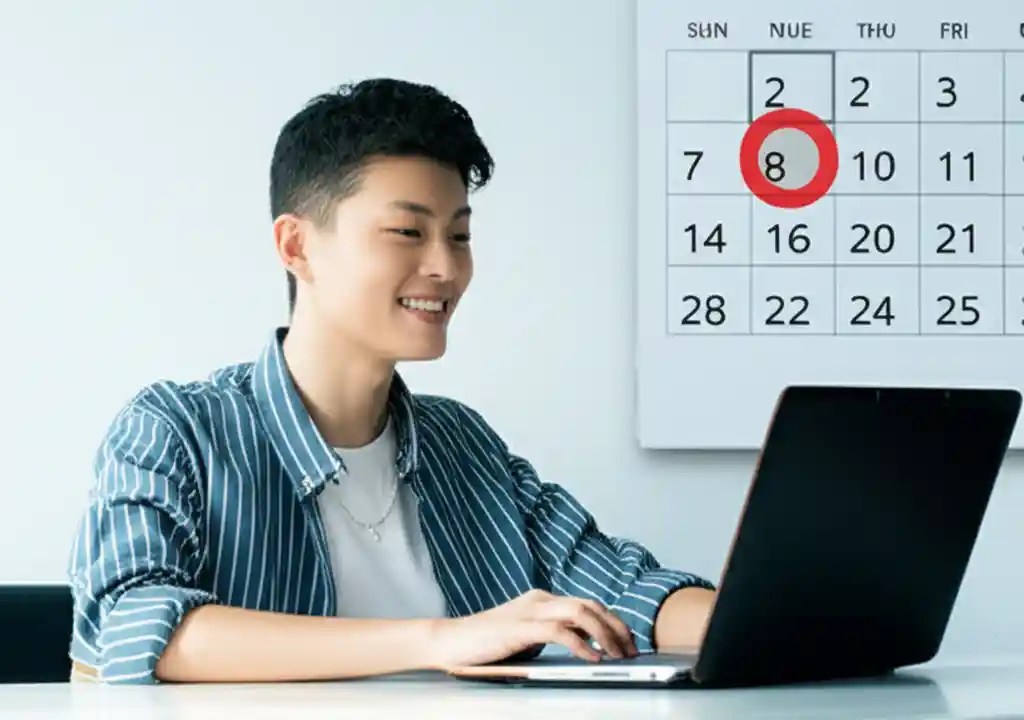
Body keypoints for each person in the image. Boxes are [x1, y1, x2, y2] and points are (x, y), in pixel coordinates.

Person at [66, 77, 717, 684]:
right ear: (296, 247)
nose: (445, 267)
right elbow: (137, 626)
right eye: (407, 232)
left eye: (459, 236)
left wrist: (783, 625)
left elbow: (625, 589)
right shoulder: (177, 430)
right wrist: (439, 640)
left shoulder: (461, 445)